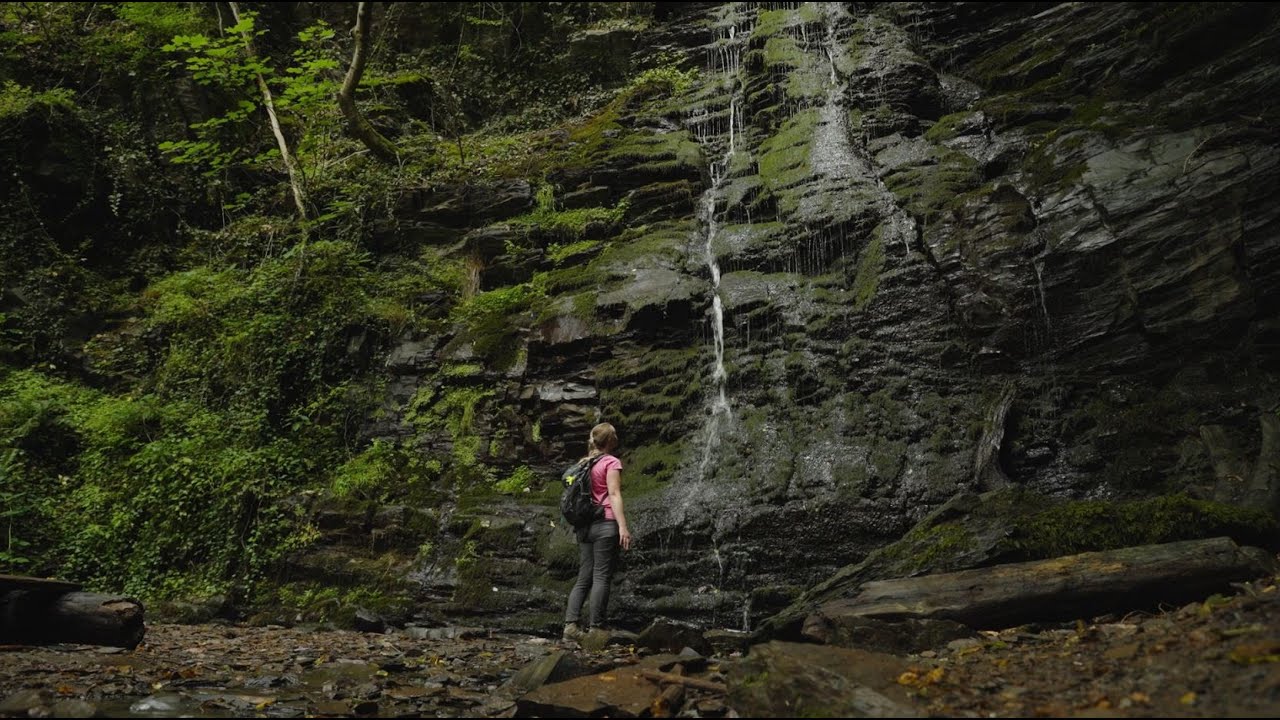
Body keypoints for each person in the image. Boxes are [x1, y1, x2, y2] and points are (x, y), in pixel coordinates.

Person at [562, 422, 632, 641]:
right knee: (601, 576)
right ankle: (596, 628)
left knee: (584, 577)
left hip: (584, 526)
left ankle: (571, 626)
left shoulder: (583, 464)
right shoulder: (611, 461)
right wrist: (622, 526)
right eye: (615, 434)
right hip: (605, 523)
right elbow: (613, 494)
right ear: (610, 441)